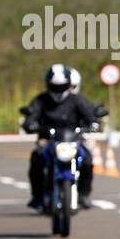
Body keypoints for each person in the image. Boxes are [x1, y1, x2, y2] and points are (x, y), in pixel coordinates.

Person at [22, 63, 98, 209]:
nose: (58, 90)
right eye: (55, 87)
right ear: (48, 85)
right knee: (36, 159)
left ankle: (83, 194)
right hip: (49, 141)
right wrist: (30, 124)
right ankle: (37, 196)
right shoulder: (41, 100)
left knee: (87, 160)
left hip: (73, 141)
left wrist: (93, 123)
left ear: (68, 85)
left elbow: (90, 115)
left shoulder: (77, 100)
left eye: (61, 86)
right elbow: (31, 115)